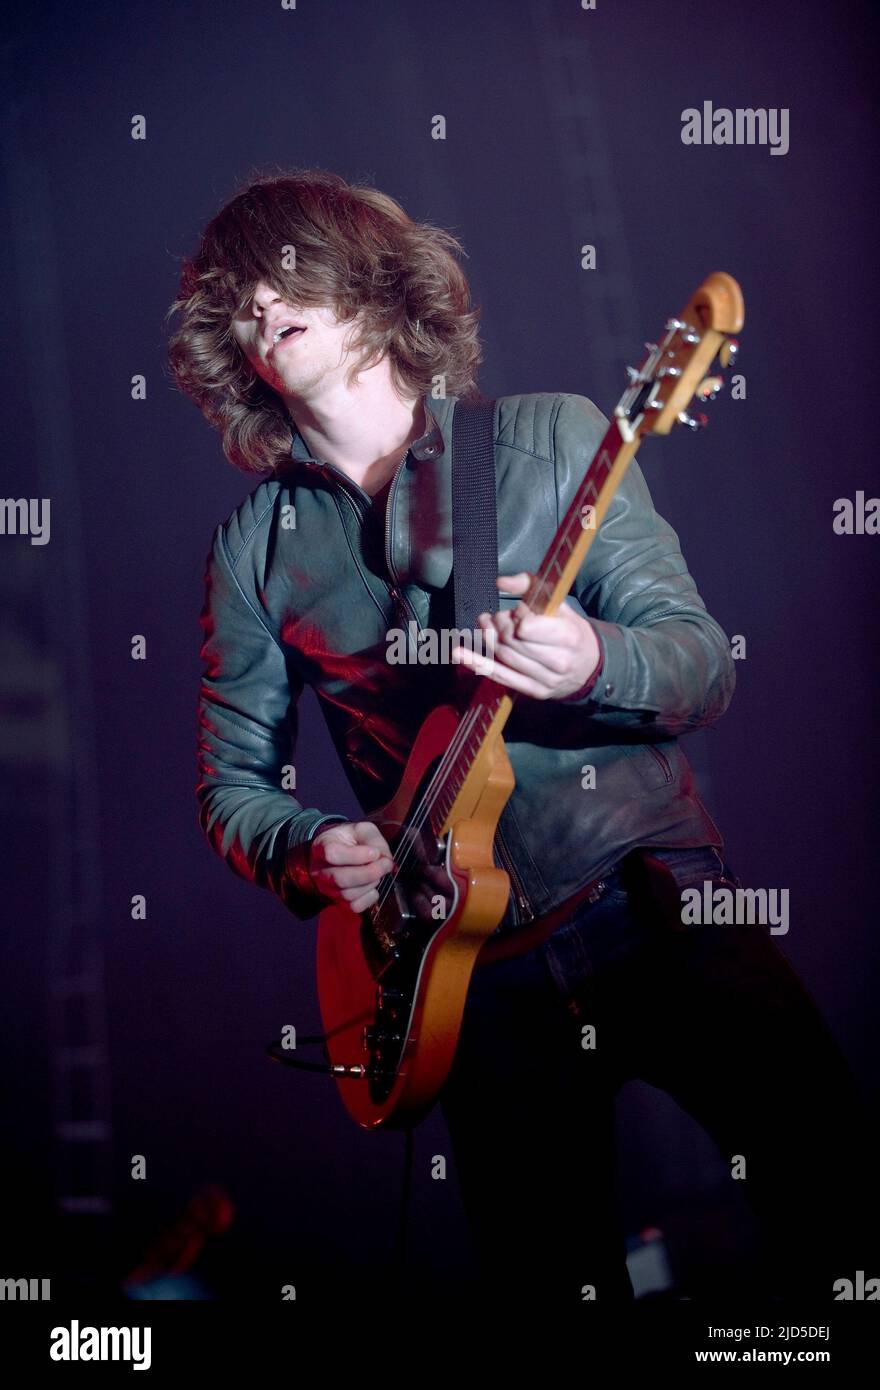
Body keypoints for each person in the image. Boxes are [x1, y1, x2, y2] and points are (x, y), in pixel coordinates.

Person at [167, 167, 873, 1306]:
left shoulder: (552, 437)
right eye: (237, 295)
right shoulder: (254, 545)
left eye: (288, 269)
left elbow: (701, 660)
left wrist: (596, 659)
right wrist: (309, 848)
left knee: (839, 1205)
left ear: (372, 283)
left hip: (650, 902)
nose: (261, 301)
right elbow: (229, 785)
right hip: (464, 977)